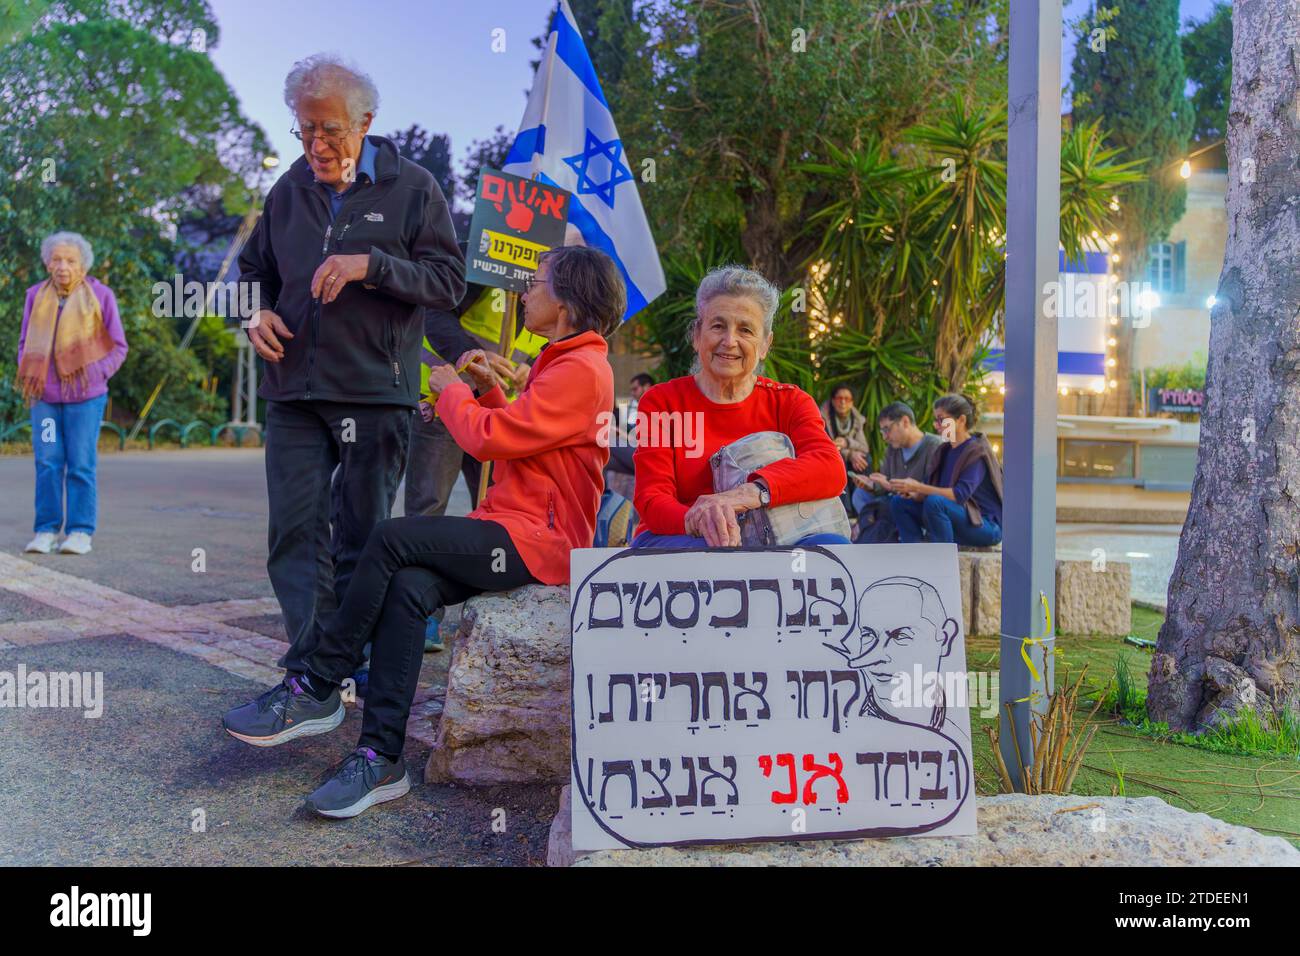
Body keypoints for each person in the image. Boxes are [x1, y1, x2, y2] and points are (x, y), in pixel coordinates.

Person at [222, 246, 621, 819]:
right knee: (408, 588)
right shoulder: (561, 361)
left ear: (567, 299)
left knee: (390, 538)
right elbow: (524, 437)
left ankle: (317, 681)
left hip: (541, 544)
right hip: (513, 529)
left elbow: (489, 441)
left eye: (535, 284)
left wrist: (451, 389)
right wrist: (485, 389)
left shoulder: (583, 369)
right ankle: (380, 757)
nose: (524, 293)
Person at [237, 54, 465, 678]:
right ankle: (315, 665)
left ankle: (357, 653)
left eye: (330, 130)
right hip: (293, 392)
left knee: (362, 538)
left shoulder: (414, 187)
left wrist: (372, 265)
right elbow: (253, 270)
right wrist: (253, 313)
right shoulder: (288, 187)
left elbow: (448, 283)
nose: (316, 144)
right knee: (294, 531)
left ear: (365, 121)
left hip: (373, 391)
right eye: (304, 128)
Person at [631, 265, 848, 548]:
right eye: (718, 326)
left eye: (745, 329)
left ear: (764, 345)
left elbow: (829, 468)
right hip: (686, 538)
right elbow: (652, 499)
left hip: (777, 537)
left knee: (832, 548)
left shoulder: (790, 401)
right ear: (697, 335)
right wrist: (703, 519)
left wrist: (751, 492)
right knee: (719, 556)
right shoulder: (662, 402)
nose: (729, 341)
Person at [16, 231, 128, 556]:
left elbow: (119, 347)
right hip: (45, 399)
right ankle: (46, 530)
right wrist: (29, 369)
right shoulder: (35, 295)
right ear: (47, 263)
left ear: (82, 264)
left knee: (80, 463)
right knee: (48, 461)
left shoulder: (100, 296)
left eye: (70, 260)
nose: (62, 265)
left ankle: (80, 531)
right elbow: (25, 342)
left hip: (87, 398)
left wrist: (95, 373)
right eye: (56, 259)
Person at [889, 393, 1003, 547]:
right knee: (899, 502)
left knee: (935, 502)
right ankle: (915, 554)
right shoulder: (944, 450)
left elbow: (959, 495)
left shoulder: (976, 451)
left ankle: (942, 561)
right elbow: (934, 491)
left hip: (984, 525)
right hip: (957, 517)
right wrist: (914, 493)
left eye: (941, 420)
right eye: (936, 420)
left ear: (961, 420)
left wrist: (918, 487)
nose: (936, 425)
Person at [850, 401, 943, 543]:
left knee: (894, 503)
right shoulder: (892, 450)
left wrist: (889, 486)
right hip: (894, 500)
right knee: (860, 495)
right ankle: (882, 533)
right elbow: (886, 483)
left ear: (905, 422)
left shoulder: (934, 446)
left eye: (887, 429)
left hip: (920, 504)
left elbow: (932, 489)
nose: (885, 437)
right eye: (882, 432)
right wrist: (872, 485)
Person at [820, 385, 869, 476]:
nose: (843, 402)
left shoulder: (857, 420)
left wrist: (847, 442)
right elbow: (825, 447)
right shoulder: (822, 418)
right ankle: (840, 490)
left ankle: (864, 489)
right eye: (839, 398)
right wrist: (850, 454)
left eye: (847, 399)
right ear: (833, 401)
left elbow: (864, 447)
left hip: (851, 460)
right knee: (838, 460)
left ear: (852, 403)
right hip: (831, 458)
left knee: (864, 458)